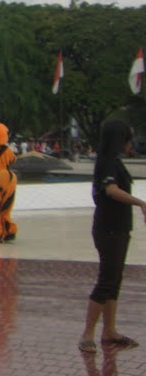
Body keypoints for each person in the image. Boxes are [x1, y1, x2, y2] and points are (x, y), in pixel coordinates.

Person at [78, 118, 146, 353]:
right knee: (106, 280)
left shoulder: (113, 161)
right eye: (128, 139)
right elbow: (110, 190)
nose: (130, 144)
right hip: (108, 229)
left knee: (114, 280)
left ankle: (110, 330)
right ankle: (88, 334)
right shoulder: (107, 162)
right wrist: (140, 203)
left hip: (118, 228)